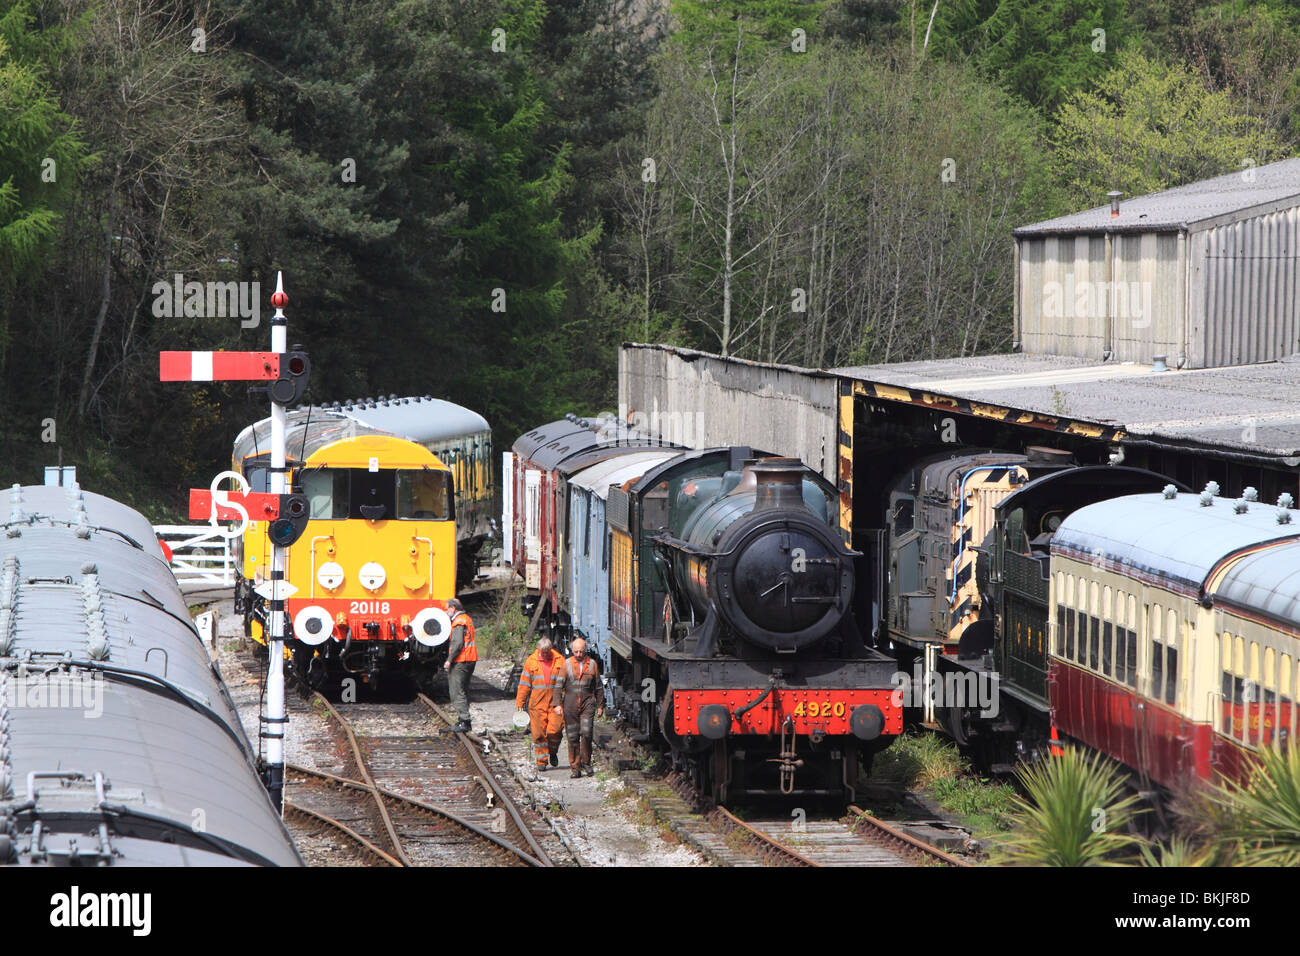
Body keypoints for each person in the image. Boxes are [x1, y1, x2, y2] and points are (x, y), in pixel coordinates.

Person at [552, 637, 604, 777]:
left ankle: (586, 763)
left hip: (587, 702)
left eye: (581, 651)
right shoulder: (566, 664)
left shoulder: (592, 664)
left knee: (587, 733)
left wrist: (600, 705)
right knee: (573, 736)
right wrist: (557, 704)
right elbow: (558, 686)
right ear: (572, 651)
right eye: (576, 652)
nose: (579, 654)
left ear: (585, 650)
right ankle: (575, 767)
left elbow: (598, 687)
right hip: (570, 704)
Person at [515, 637, 565, 771]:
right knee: (538, 734)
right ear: (538, 650)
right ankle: (541, 761)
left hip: (555, 703)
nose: (545, 655)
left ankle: (553, 751)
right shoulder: (531, 662)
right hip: (537, 704)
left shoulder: (559, 660)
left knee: (555, 730)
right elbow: (524, 684)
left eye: (547, 652)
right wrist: (520, 703)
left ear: (550, 649)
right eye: (543, 653)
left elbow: (565, 682)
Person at [442, 598, 476, 733]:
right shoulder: (467, 618)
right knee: (463, 690)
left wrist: (449, 659)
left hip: (461, 660)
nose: (445, 611)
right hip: (470, 659)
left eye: (446, 609)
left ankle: (464, 721)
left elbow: (457, 644)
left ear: (453, 608)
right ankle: (463, 720)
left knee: (456, 691)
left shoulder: (458, 622)